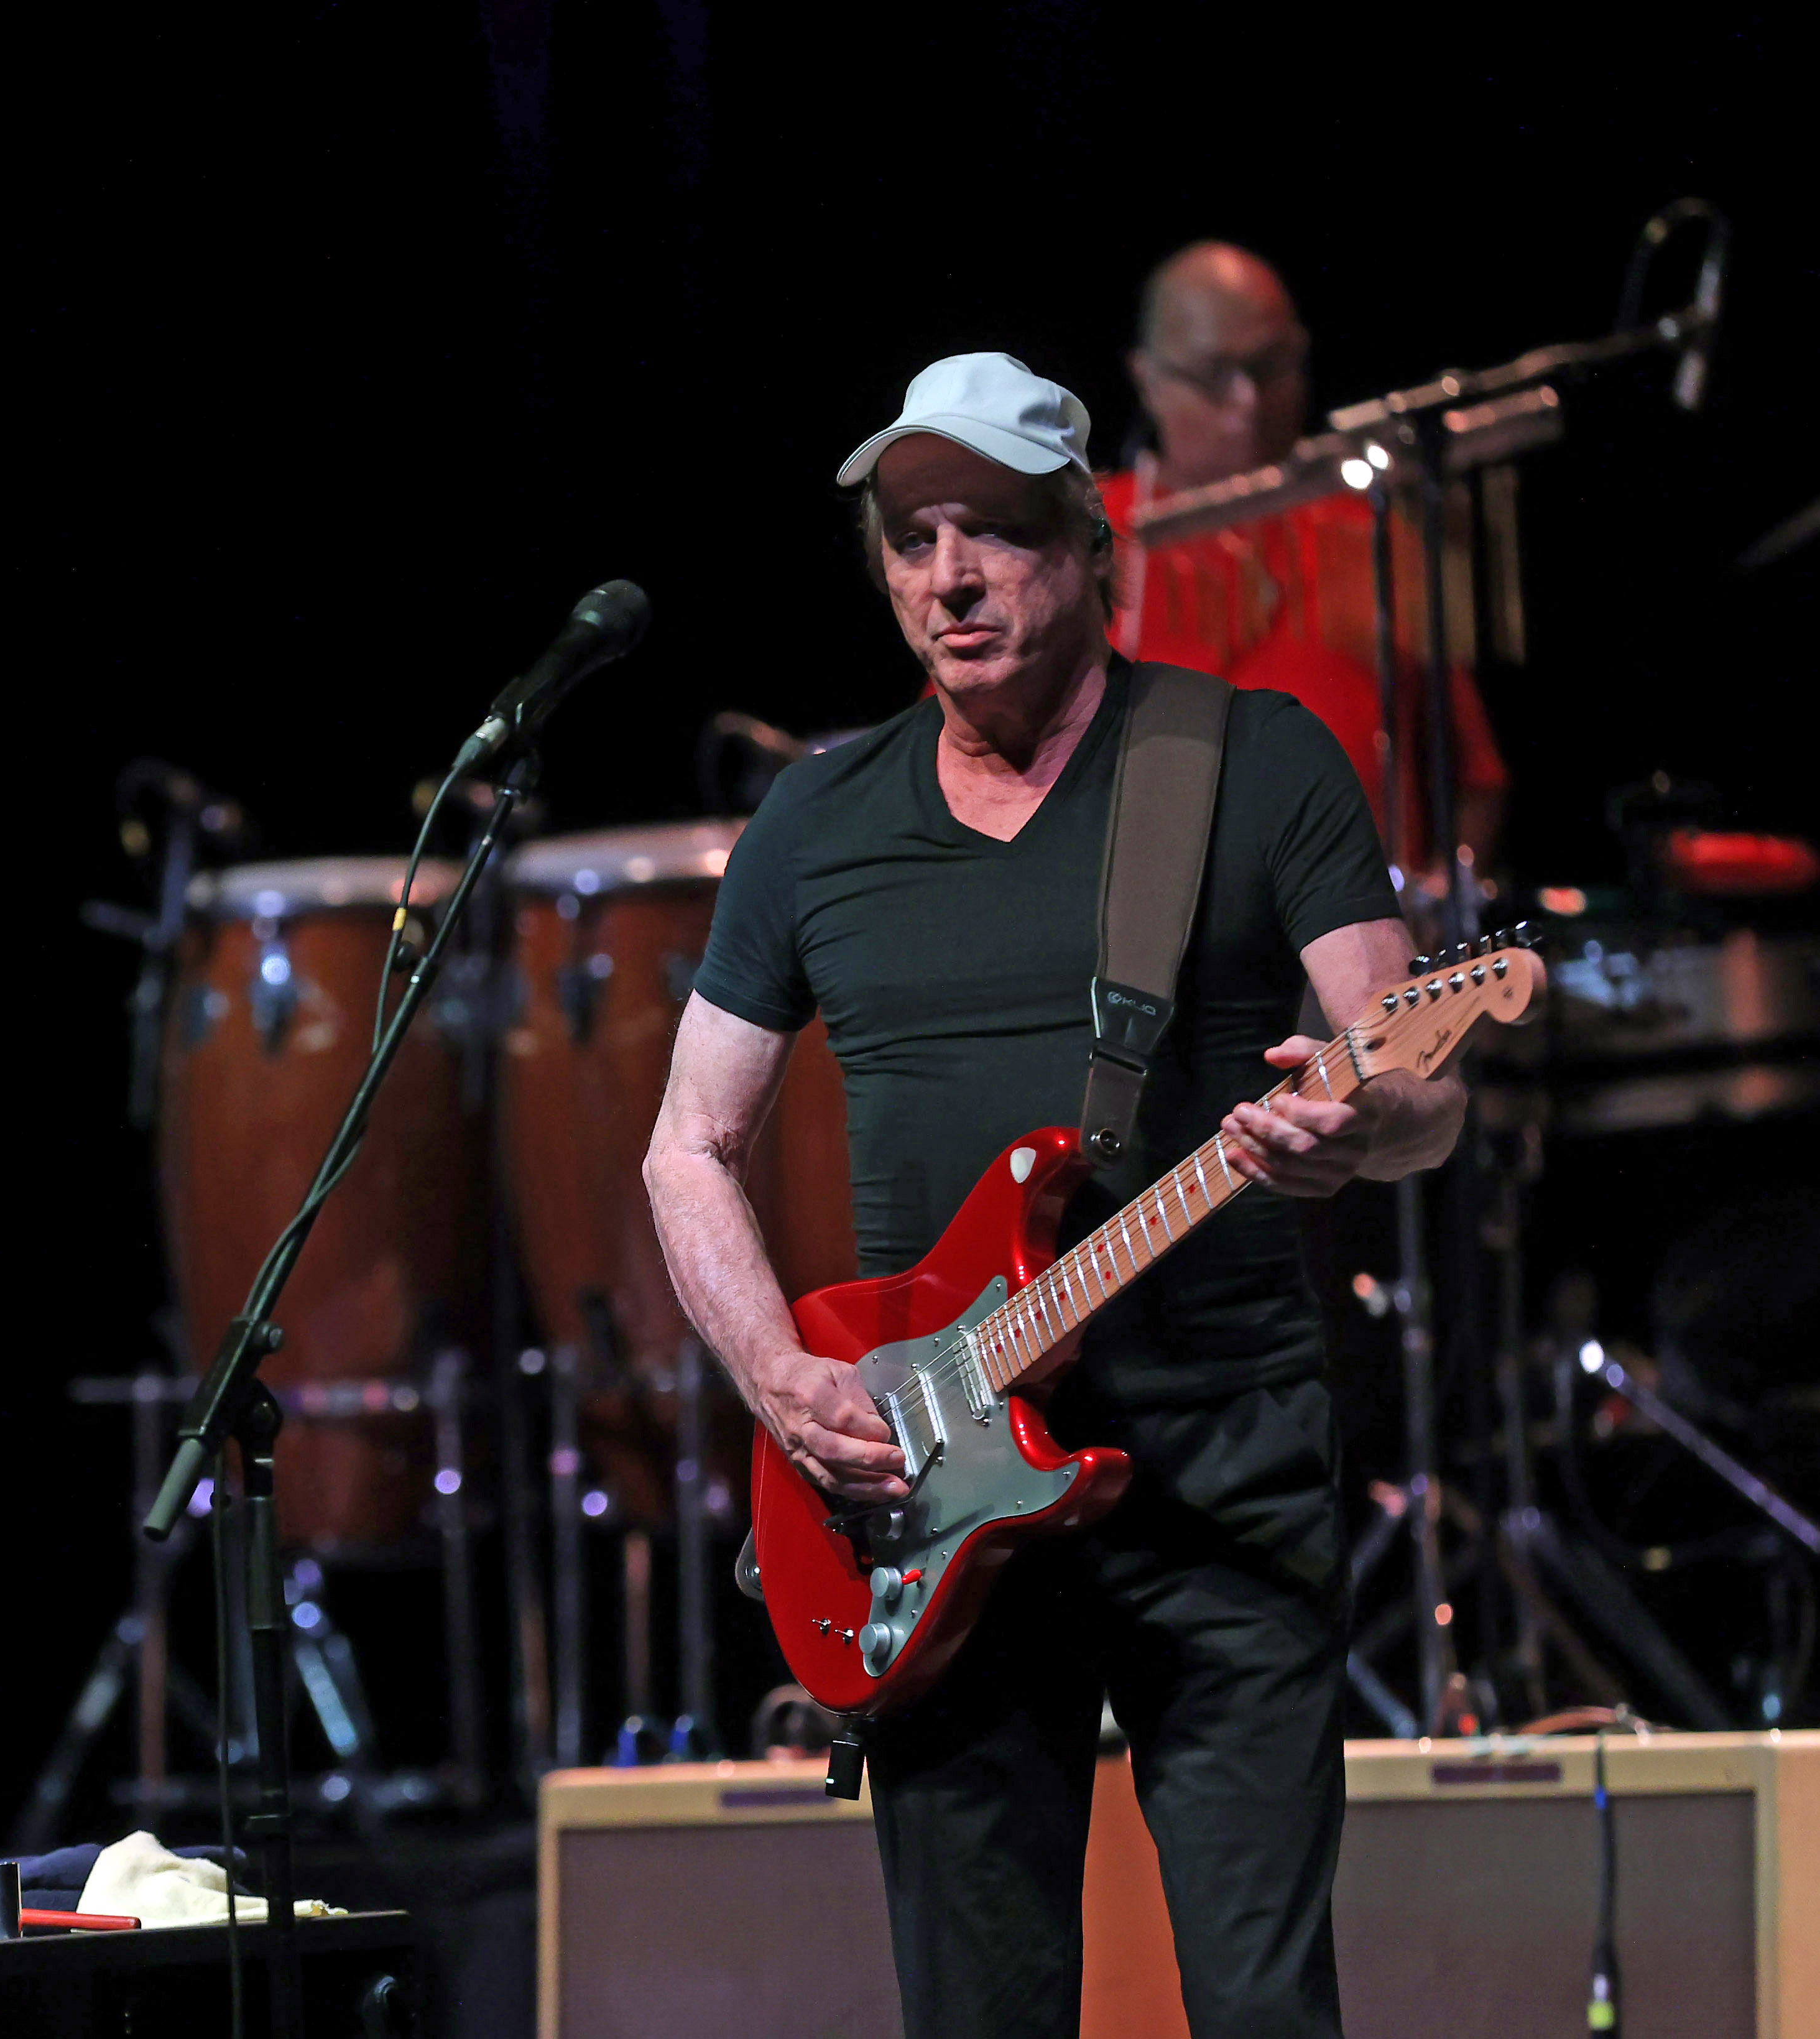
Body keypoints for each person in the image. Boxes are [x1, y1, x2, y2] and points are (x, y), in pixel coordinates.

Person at [646, 354, 1467, 2038]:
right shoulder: (813, 819)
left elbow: (1416, 1077)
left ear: (1095, 546)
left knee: (1258, 2001)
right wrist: (774, 1374)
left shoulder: (1248, 762)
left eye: (995, 532)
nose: (947, 574)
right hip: (928, 1502)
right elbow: (685, 1145)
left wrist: (1353, 1125)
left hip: (1219, 1476)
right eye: (908, 536)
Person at [1109, 240, 1510, 869]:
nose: (1249, 403)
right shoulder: (1087, 538)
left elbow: (1474, 779)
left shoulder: (1374, 529)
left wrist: (1436, 899)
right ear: (1148, 380)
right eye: (1216, 376)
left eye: (1271, 367)